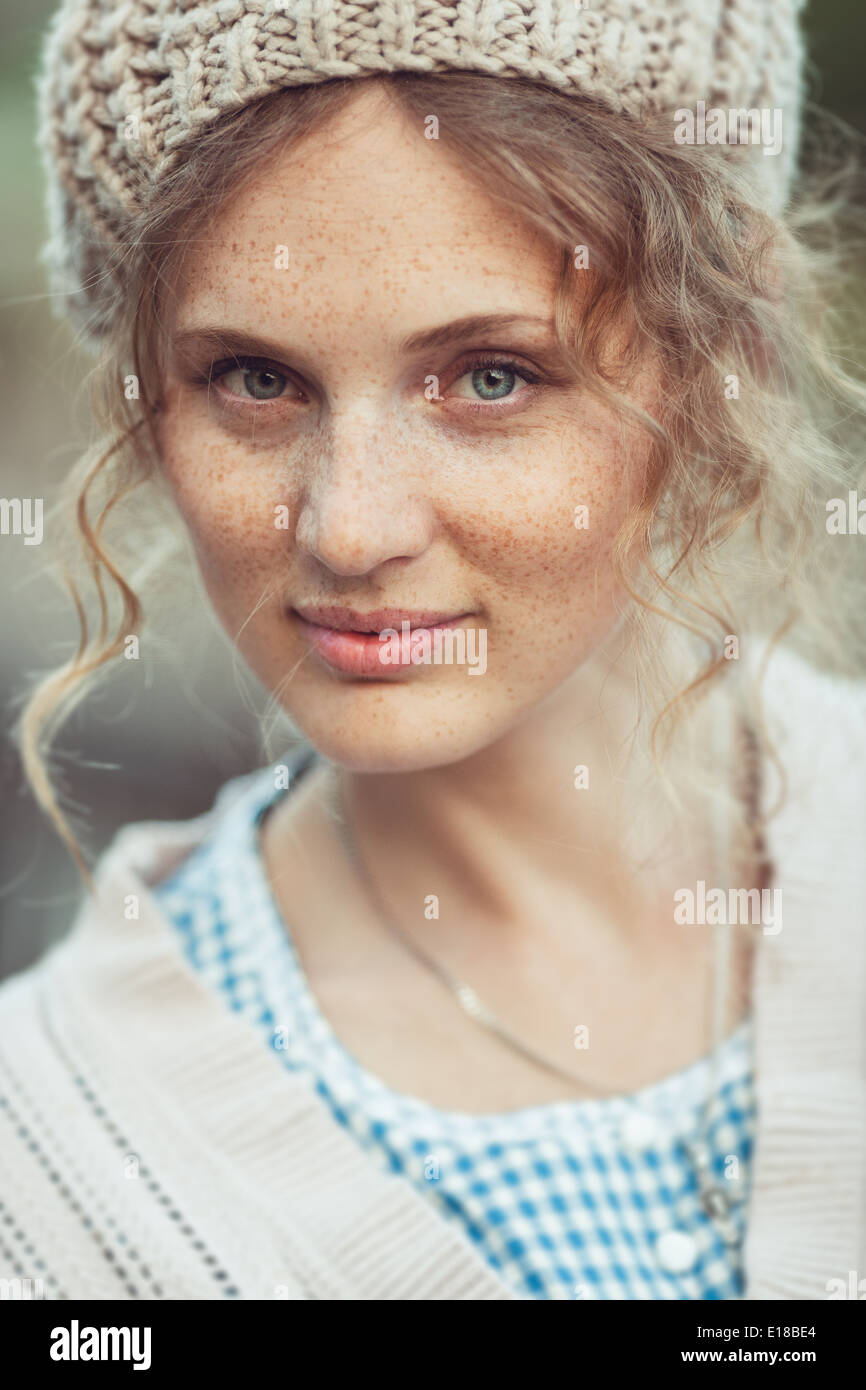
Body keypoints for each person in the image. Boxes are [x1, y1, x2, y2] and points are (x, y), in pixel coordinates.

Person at [1, 0, 864, 1301]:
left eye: (488, 378)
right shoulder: (57, 1164)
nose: (350, 527)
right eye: (254, 377)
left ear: (709, 365)